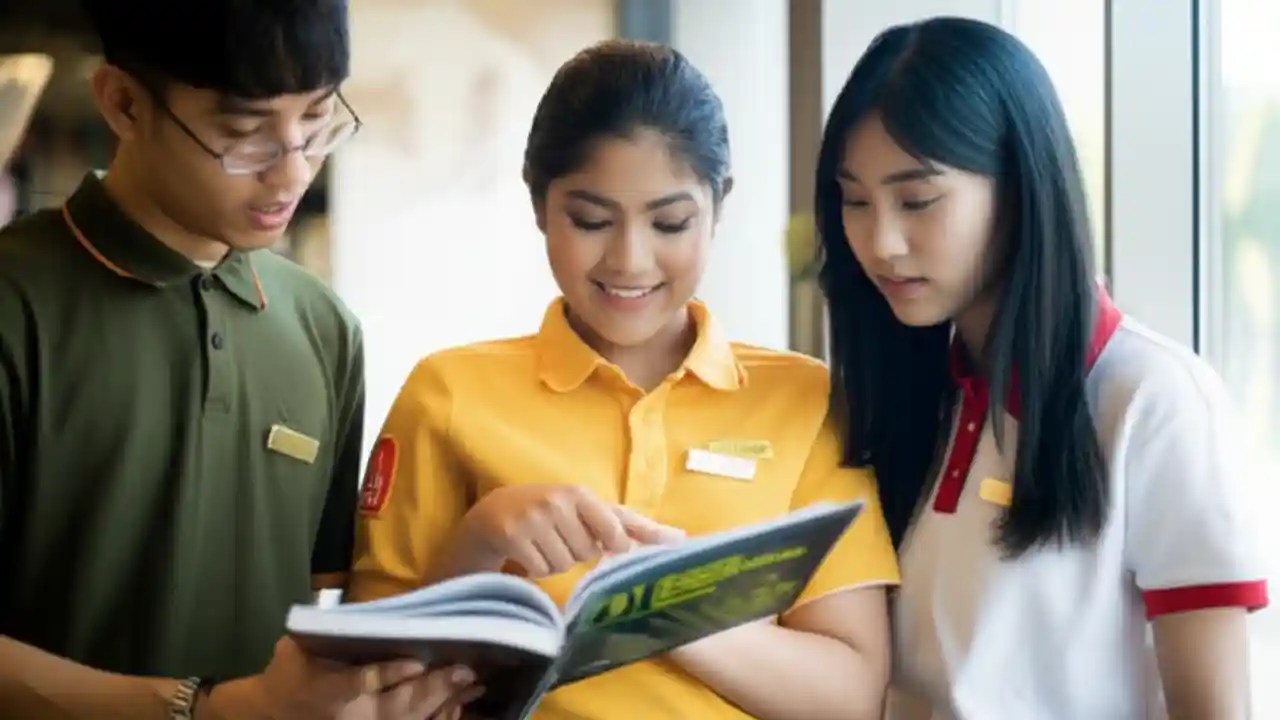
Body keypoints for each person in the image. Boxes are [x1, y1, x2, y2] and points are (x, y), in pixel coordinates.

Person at [348, 40, 899, 720]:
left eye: (670, 222)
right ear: (539, 207)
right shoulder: (449, 393)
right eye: (591, 221)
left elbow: (851, 696)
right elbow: (371, 688)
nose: (630, 260)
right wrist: (480, 539)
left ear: (718, 208)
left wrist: (662, 601)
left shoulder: (805, 400)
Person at [0, 2, 474, 718]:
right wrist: (204, 710)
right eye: (245, 135)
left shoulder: (324, 329)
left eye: (317, 123)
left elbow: (311, 623)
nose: (293, 175)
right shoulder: (15, 304)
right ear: (124, 104)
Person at [814, 16, 1269, 720]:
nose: (882, 241)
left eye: (917, 200)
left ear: (1021, 186)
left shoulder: (1151, 399)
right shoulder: (910, 395)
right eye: (854, 201)